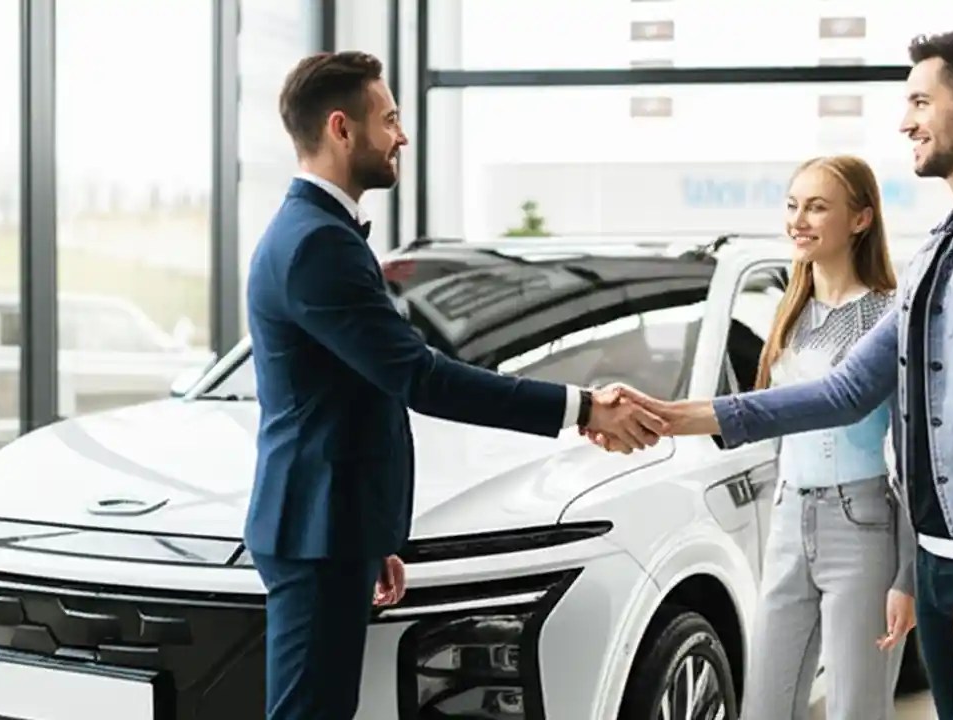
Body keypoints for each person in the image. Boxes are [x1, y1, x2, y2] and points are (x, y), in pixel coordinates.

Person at [598, 31, 953, 720]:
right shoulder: (940, 249)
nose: (905, 122)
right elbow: (845, 390)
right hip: (935, 555)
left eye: (922, 102)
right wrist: (676, 414)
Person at [243, 51, 665, 720]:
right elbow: (418, 377)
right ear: (340, 129)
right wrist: (580, 406)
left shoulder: (315, 235)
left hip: (336, 527)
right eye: (389, 119)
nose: (401, 136)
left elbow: (355, 394)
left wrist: (376, 532)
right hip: (318, 532)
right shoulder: (316, 244)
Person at [733, 155, 916, 720]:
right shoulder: (789, 312)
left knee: (856, 709)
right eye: (792, 205)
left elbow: (913, 453)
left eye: (816, 206)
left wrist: (907, 576)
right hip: (789, 520)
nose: (799, 219)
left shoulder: (890, 314)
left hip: (860, 525)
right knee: (765, 702)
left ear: (860, 220)